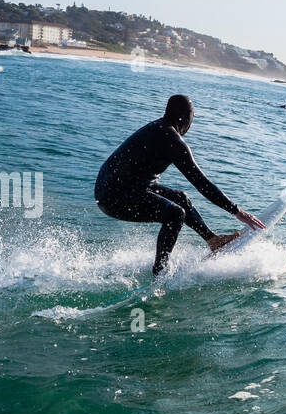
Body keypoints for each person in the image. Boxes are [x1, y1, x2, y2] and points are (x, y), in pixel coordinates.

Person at [95, 94, 264, 277]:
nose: (191, 124)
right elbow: (201, 183)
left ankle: (212, 240)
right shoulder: (171, 140)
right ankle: (160, 274)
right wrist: (236, 211)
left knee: (181, 199)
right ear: (185, 117)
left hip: (117, 188)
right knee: (175, 214)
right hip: (114, 196)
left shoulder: (159, 128)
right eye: (192, 117)